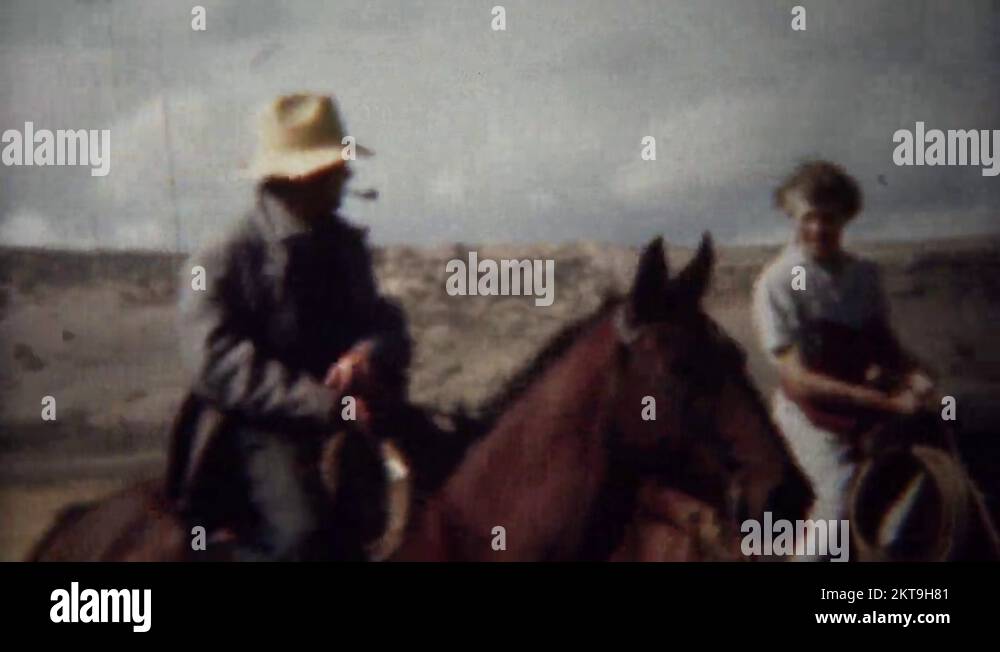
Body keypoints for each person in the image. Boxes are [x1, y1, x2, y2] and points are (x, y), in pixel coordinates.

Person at [165, 93, 413, 560]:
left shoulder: (344, 246)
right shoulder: (224, 256)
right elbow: (215, 363)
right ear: (305, 178)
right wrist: (324, 403)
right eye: (337, 168)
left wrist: (367, 353)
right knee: (303, 539)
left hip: (353, 412)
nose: (347, 176)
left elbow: (384, 321)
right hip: (258, 427)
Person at [752, 161, 935, 559]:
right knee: (837, 496)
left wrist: (914, 375)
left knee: (928, 457)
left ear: (846, 217)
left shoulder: (864, 274)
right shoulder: (778, 281)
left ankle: (883, 553)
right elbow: (799, 381)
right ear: (793, 217)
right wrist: (887, 403)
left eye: (829, 218)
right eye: (809, 218)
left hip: (866, 407)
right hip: (810, 417)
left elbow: (885, 344)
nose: (818, 228)